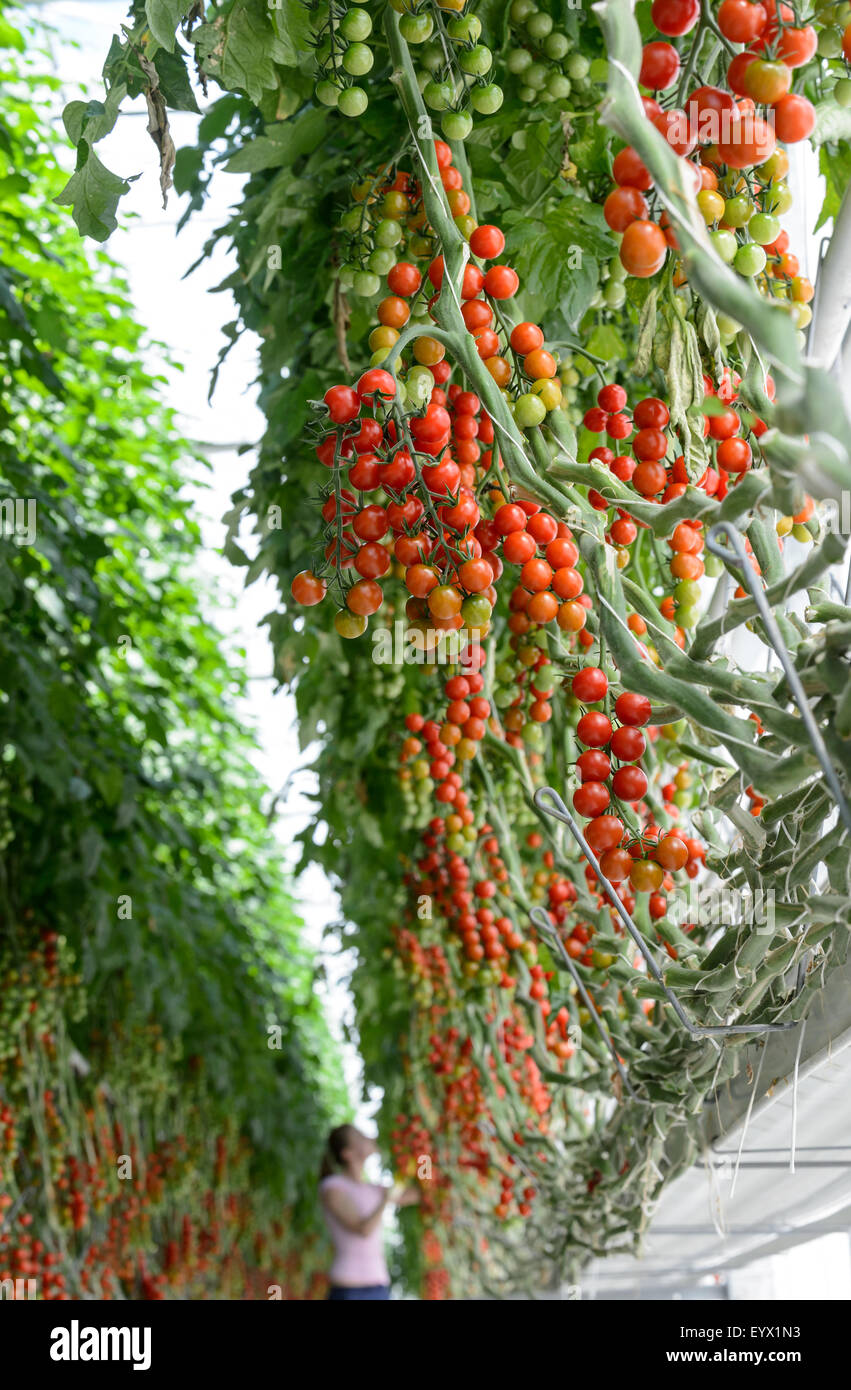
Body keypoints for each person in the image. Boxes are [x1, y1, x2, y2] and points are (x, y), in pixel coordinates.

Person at [319, 1124, 418, 1301]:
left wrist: (420, 1157)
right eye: (359, 1136)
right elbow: (363, 1229)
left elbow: (418, 1194)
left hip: (379, 1286)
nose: (368, 1137)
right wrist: (386, 1201)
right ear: (347, 1154)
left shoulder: (374, 1189)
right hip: (350, 1290)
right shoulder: (333, 1187)